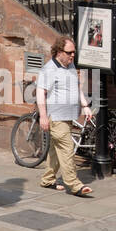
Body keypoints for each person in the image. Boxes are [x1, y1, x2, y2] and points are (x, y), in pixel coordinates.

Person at [37, 34, 94, 197]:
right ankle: (74, 185)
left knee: (56, 150)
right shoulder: (48, 70)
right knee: (67, 148)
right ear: (59, 52)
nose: (73, 55)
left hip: (69, 116)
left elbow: (76, 88)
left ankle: (47, 180)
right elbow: (41, 93)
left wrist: (85, 106)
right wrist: (43, 116)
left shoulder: (69, 65)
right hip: (56, 117)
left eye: (74, 52)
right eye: (69, 52)